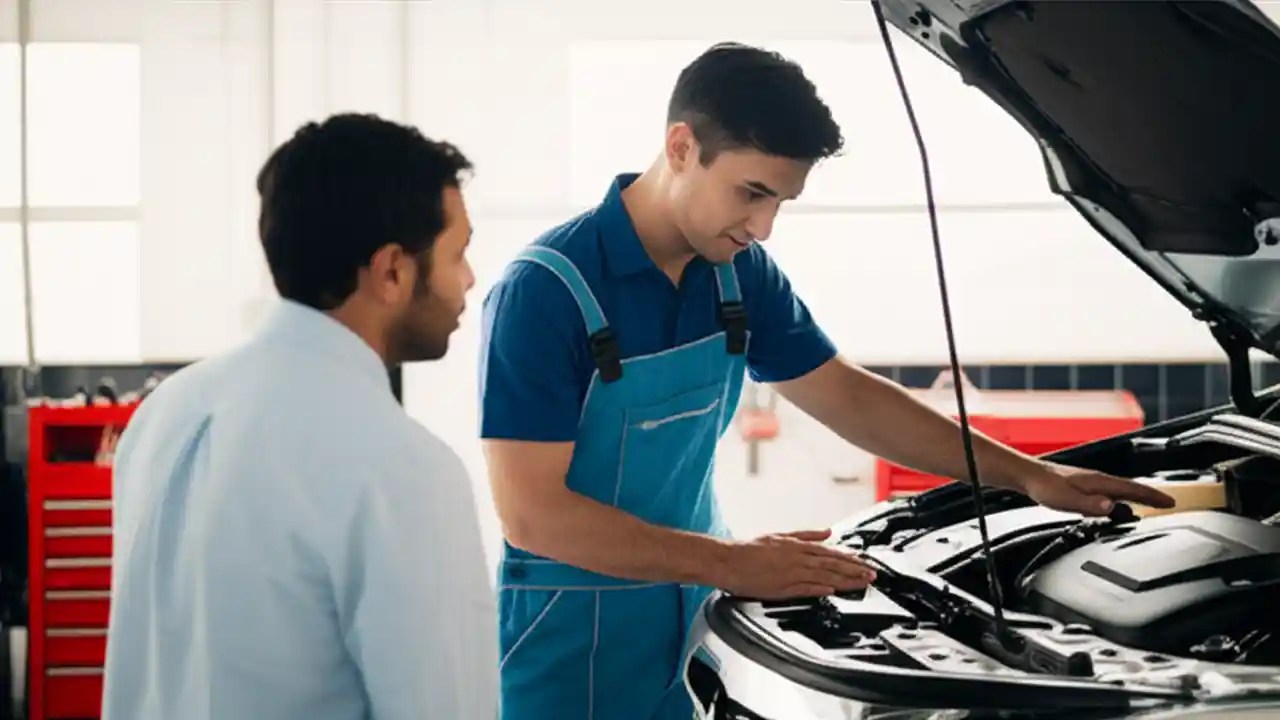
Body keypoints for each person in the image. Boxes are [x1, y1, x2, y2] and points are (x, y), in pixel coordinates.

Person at [478, 43, 1176, 718]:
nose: (764, 227)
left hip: (687, 624)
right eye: (751, 193)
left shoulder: (737, 272)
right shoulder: (545, 293)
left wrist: (1027, 476)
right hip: (570, 645)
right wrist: (730, 563)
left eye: (781, 201)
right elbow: (533, 514)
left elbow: (843, 393)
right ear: (682, 147)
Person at [102, 113, 497, 720]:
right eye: (458, 253)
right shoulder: (403, 467)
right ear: (393, 270)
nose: (469, 280)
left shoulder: (165, 413)